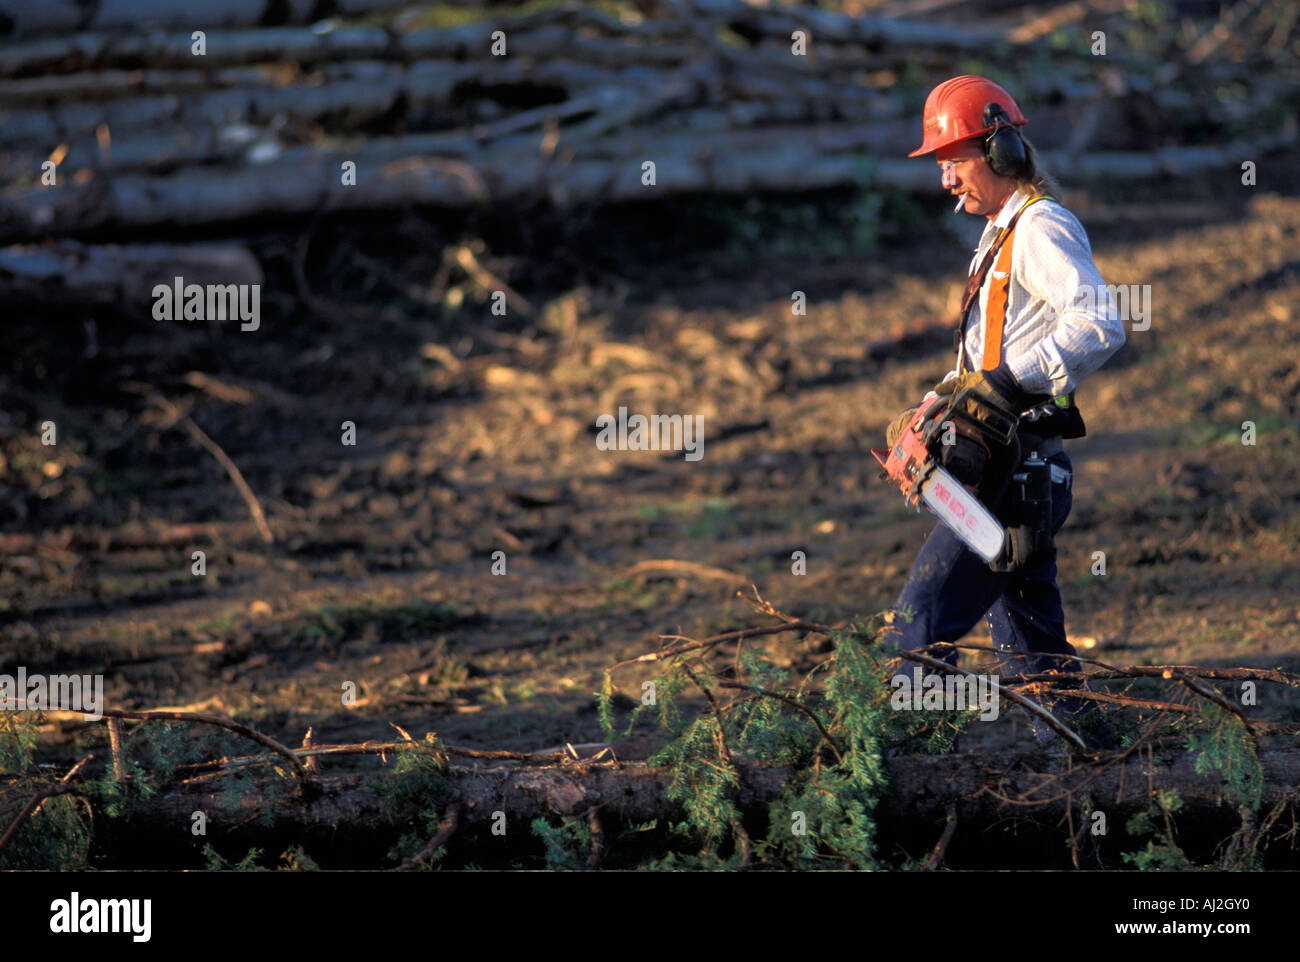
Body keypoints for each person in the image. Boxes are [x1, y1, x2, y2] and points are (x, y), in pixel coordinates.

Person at [884, 75, 1127, 751]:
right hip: (1011, 481)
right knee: (1037, 660)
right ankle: (1095, 771)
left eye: (953, 161)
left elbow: (1100, 323)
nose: (945, 181)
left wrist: (1005, 386)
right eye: (940, 165)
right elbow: (991, 354)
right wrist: (936, 402)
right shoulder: (998, 235)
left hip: (1008, 478)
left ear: (1002, 151)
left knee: (916, 631)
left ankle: (903, 779)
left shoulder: (1041, 227)